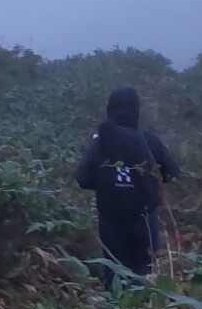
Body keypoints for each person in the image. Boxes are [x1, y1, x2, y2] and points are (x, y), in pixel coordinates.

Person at [75, 86, 180, 286]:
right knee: (143, 272)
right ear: (136, 110)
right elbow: (173, 173)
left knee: (113, 272)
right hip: (144, 220)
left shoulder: (100, 141)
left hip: (111, 221)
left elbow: (82, 178)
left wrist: (107, 183)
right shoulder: (148, 140)